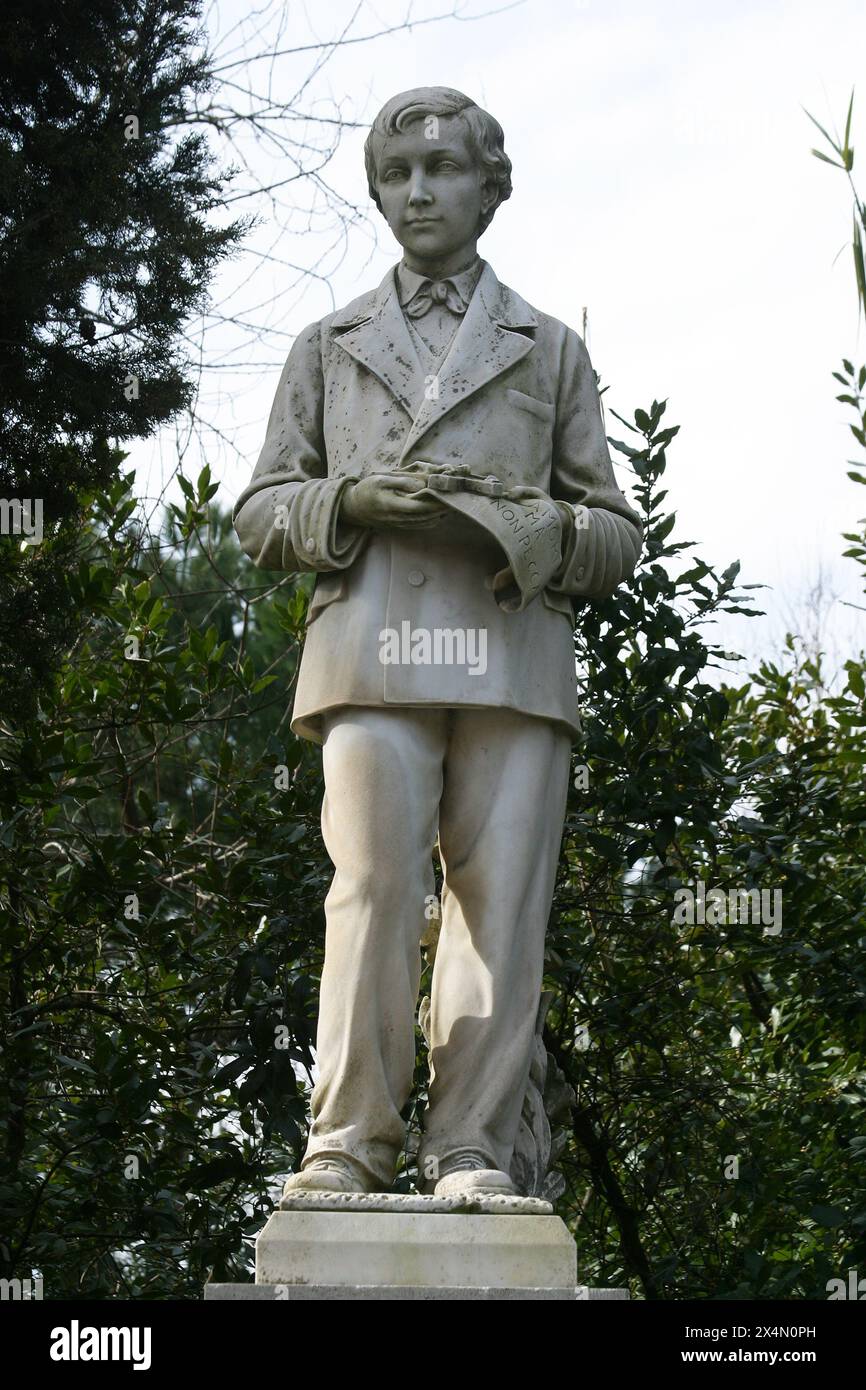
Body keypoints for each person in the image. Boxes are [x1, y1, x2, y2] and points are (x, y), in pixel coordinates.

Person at [233, 87, 642, 1199]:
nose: (419, 191)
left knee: (499, 905)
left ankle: (470, 1145)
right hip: (370, 645)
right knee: (368, 888)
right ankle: (346, 1140)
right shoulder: (327, 346)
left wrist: (529, 529)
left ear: (489, 188)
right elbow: (261, 512)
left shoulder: (548, 348)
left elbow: (613, 532)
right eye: (398, 172)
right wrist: (352, 501)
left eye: (444, 167)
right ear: (377, 194)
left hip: (510, 654)